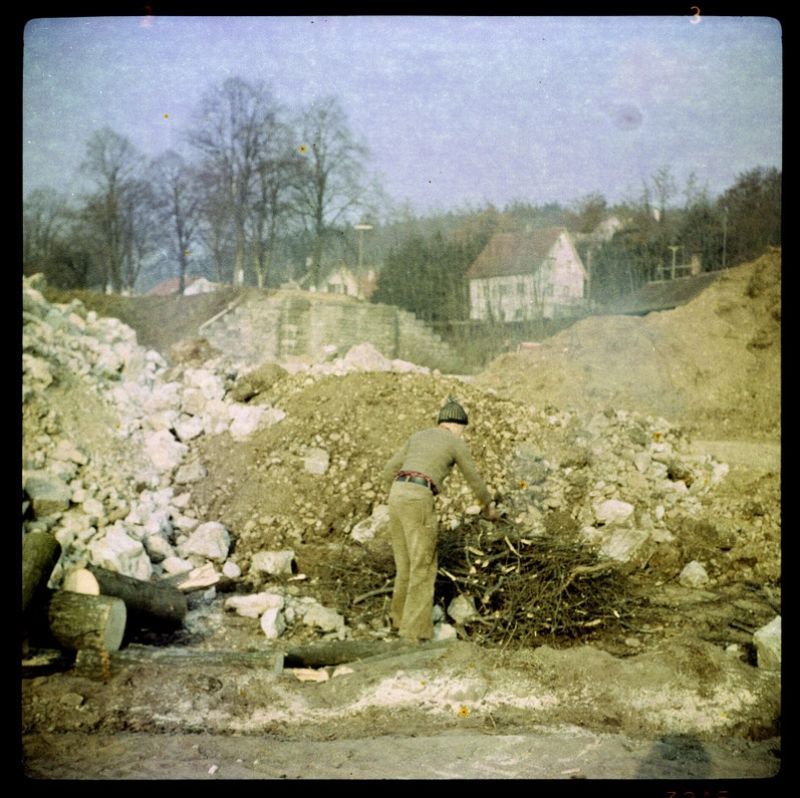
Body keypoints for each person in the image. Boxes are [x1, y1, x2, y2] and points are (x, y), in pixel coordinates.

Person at [381, 395, 499, 641]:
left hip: (397, 494)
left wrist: (400, 492)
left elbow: (388, 471)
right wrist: (488, 506)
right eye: (463, 430)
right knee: (423, 566)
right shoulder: (454, 442)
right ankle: (414, 634)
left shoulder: (418, 436)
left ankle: (397, 621)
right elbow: (474, 478)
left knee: (405, 565)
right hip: (418, 498)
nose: (462, 435)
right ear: (457, 426)